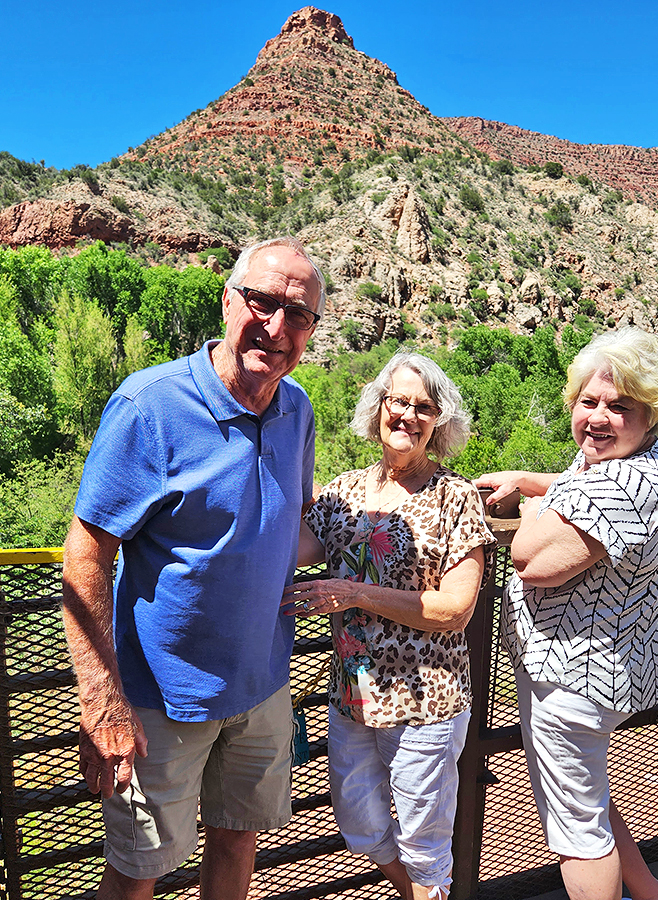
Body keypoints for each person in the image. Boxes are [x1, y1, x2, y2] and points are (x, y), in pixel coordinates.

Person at [61, 236, 324, 900]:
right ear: (227, 299)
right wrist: (101, 701)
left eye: (298, 315)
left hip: (261, 686)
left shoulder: (298, 410)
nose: (276, 326)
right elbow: (88, 551)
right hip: (158, 700)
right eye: (262, 302)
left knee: (238, 838)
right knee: (139, 867)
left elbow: (292, 517)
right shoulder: (150, 406)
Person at [476, 326, 658, 900]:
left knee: (576, 832)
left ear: (650, 415)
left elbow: (530, 559)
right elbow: (575, 487)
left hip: (574, 680)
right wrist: (533, 482)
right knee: (586, 798)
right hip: (599, 671)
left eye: (619, 406)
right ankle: (653, 894)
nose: (598, 416)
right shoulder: (633, 465)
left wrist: (539, 502)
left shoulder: (622, 485)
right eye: (588, 402)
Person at [282, 352, 495, 900]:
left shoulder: (455, 496)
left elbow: (455, 609)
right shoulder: (343, 491)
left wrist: (352, 593)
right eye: (398, 401)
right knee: (364, 828)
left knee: (425, 849)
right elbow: (286, 549)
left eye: (423, 407)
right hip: (352, 699)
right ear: (378, 408)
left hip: (428, 703)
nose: (408, 415)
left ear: (439, 422)